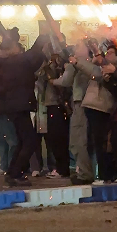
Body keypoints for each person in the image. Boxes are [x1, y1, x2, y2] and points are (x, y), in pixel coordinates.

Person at [0, 29, 47, 187]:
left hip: (15, 106)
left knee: (23, 141)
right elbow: (34, 55)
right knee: (29, 141)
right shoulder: (17, 61)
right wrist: (43, 37)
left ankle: (12, 172)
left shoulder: (8, 63)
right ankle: (15, 173)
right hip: (19, 105)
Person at [53, 40, 95, 183]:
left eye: (79, 46)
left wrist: (53, 81)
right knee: (84, 141)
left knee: (78, 141)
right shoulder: (92, 63)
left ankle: (84, 173)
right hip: (88, 104)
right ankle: (86, 171)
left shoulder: (78, 63)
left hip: (80, 104)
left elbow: (65, 81)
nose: (75, 49)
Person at [79, 46, 117, 183]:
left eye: (111, 53)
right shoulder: (100, 66)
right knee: (94, 142)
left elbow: (96, 74)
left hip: (102, 108)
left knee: (102, 143)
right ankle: (101, 174)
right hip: (92, 106)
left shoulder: (116, 70)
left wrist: (79, 61)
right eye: (107, 52)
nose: (107, 55)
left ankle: (106, 174)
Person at [35, 46, 69, 178]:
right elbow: (39, 78)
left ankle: (62, 168)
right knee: (53, 139)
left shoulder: (61, 65)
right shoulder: (48, 66)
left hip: (57, 104)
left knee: (58, 138)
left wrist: (52, 67)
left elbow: (59, 81)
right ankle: (60, 167)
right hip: (50, 104)